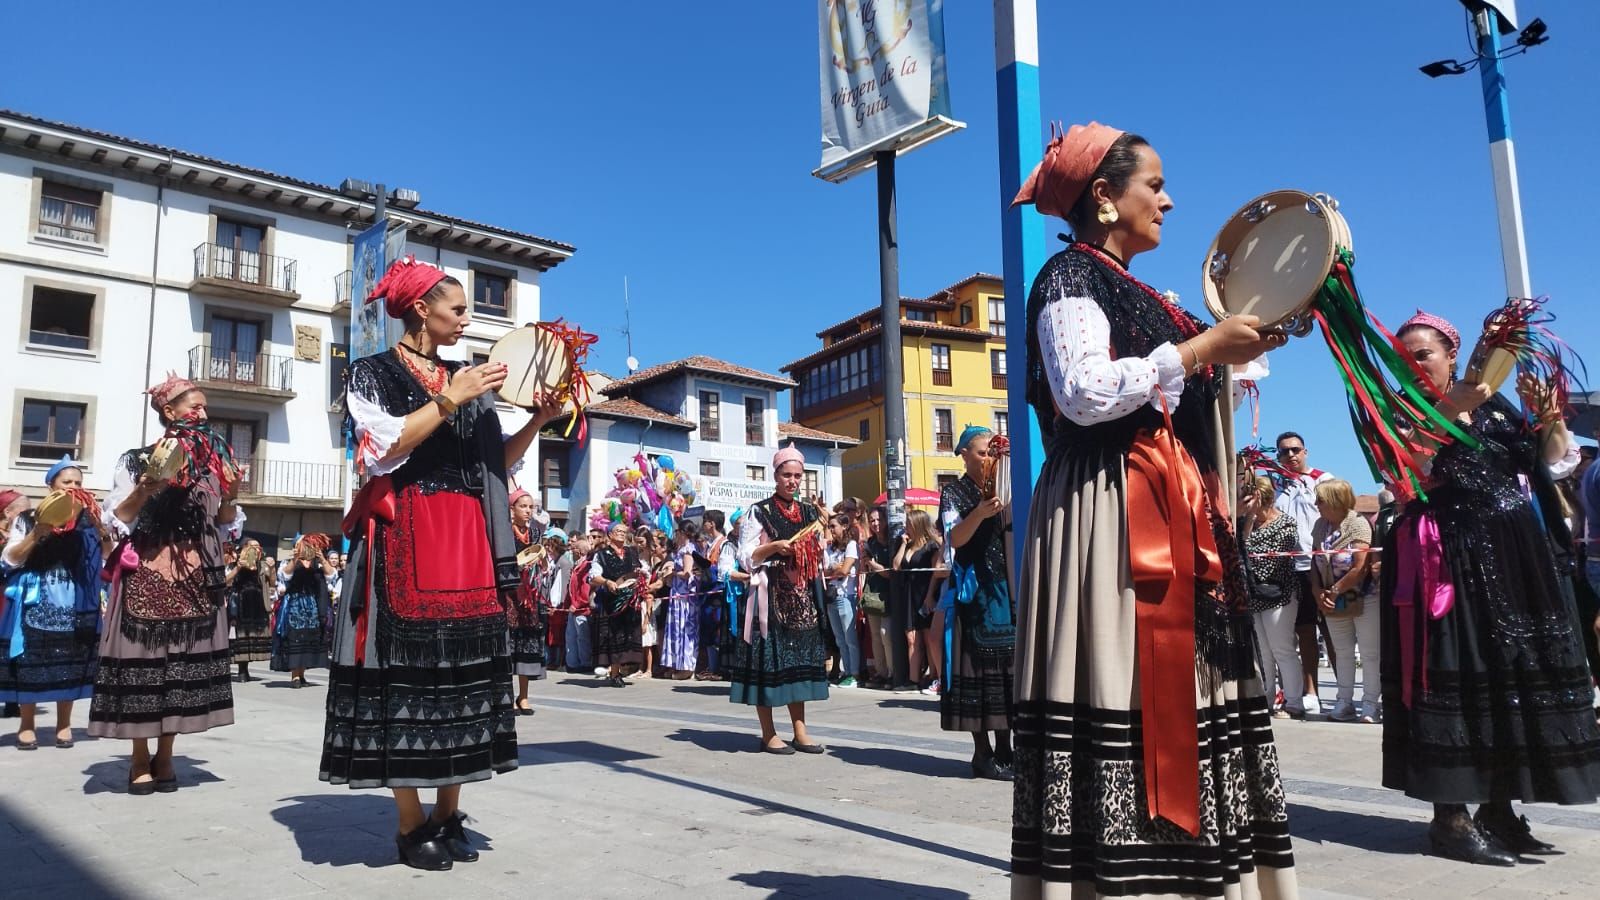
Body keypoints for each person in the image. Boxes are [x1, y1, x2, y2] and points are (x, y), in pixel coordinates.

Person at [1009, 121, 1295, 897]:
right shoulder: (1069, 276)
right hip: (1113, 509)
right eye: (1155, 184)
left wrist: (1246, 339)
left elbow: (1194, 378)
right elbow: (1082, 391)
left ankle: (1192, 873)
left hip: (1173, 503)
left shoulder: (1155, 299)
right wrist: (1202, 352)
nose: (1169, 199)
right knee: (1129, 685)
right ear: (1104, 197)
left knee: (1193, 688)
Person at [319, 256, 563, 871]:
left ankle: (448, 812)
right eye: (457, 308)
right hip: (406, 531)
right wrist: (451, 398)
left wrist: (536, 419)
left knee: (468, 675)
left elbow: (495, 463)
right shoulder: (370, 373)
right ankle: (408, 823)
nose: (466, 318)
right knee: (401, 673)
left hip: (468, 537)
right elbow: (382, 448)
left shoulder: (467, 380)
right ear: (421, 310)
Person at [1380, 311, 1600, 865]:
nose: (1413, 363)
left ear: (1454, 356)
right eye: (1405, 355)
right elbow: (1404, 474)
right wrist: (1448, 410)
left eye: (1423, 353)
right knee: (1460, 673)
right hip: (1449, 558)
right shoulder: (1397, 409)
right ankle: (1450, 820)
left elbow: (1550, 462)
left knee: (1509, 677)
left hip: (1512, 556)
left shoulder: (1494, 404)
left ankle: (1499, 811)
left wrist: (1550, 417)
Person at [91, 374, 245, 793]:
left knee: (178, 669)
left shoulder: (214, 466)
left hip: (197, 577)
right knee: (143, 666)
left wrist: (230, 494)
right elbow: (119, 518)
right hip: (146, 573)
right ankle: (139, 757)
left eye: (204, 407)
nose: (202, 413)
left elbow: (227, 522)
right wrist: (145, 489)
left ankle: (166, 754)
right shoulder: (137, 459)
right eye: (193, 406)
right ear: (168, 412)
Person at [730, 444, 829, 754]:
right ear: (775, 476)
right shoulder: (759, 510)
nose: (793, 481)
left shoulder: (810, 513)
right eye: (787, 475)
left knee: (798, 662)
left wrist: (814, 548)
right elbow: (746, 557)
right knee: (768, 664)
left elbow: (819, 550)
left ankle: (800, 730)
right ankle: (768, 732)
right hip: (769, 597)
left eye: (798, 476)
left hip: (802, 597)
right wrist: (774, 548)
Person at [0, 456, 104, 750]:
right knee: (29, 661)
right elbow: (10, 558)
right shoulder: (27, 519)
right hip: (35, 599)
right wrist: (36, 534)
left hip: (72, 600)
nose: (73, 487)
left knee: (69, 662)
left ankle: (64, 725)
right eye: (66, 482)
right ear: (51, 485)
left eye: (78, 483)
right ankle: (26, 724)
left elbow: (105, 556)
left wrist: (99, 527)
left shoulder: (87, 520)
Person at [936, 426, 1016, 780]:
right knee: (977, 674)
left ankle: (1006, 750)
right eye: (982, 453)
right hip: (973, 592)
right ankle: (982, 753)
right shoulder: (953, 492)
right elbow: (954, 539)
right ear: (965, 455)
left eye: (992, 453)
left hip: (1004, 587)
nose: (989, 459)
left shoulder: (1006, 487)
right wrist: (980, 514)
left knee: (1006, 674)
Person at [1272, 431, 1336, 716]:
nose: (1290, 456)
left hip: (1322, 566)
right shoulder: (1274, 486)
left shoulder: (1323, 479)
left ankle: (1345, 692)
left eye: (1295, 450)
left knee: (1334, 631)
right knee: (1304, 631)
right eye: (1284, 452)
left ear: (1305, 451)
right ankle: (1310, 692)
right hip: (1290, 568)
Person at [1309, 479, 1380, 724]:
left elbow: (1360, 567)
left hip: (1364, 596)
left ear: (1335, 501)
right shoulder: (1319, 525)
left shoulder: (1359, 524)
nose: (1316, 504)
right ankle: (1344, 702)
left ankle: (1370, 705)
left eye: (1320, 499)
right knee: (1342, 652)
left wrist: (1335, 590)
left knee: (1370, 654)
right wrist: (1318, 591)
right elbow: (1314, 562)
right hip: (1331, 598)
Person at [1238, 475, 1305, 720]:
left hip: (1279, 594)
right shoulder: (1246, 524)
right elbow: (1238, 551)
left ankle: (1294, 703)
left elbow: (1270, 563)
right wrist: (1247, 524)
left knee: (1282, 649)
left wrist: (1248, 564)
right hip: (1254, 596)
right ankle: (1265, 699)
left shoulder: (1285, 523)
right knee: (1262, 652)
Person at [271, 536, 333, 688]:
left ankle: (302, 673)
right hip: (295, 605)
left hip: (312, 607)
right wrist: (295, 558)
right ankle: (295, 675)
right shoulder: (291, 562)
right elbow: (285, 576)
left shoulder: (318, 563)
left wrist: (322, 558)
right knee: (295, 638)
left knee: (308, 639)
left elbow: (331, 575)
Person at [590, 523, 647, 687]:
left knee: (628, 637)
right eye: (618, 531)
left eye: (624, 531)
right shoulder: (601, 554)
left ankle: (622, 670)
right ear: (610, 535)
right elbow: (593, 577)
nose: (622, 534)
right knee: (614, 637)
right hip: (612, 602)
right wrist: (607, 582)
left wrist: (640, 581)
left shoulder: (631, 552)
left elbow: (638, 572)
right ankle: (614, 673)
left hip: (630, 601)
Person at [893, 509, 942, 693]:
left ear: (917, 525)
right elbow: (897, 566)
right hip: (909, 594)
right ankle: (913, 680)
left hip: (925, 593)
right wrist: (903, 545)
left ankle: (935, 676)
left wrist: (930, 596)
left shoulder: (931, 547)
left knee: (929, 638)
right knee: (912, 638)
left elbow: (935, 575)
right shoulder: (908, 545)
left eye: (909, 524)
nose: (906, 527)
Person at [509, 489, 548, 713]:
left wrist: (541, 562)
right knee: (508, 644)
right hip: (509, 595)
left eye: (530, 507)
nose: (527, 511)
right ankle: (505, 694)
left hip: (530, 596)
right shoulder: (504, 532)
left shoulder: (535, 534)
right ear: (512, 509)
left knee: (526, 644)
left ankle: (523, 697)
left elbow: (543, 567)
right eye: (523, 506)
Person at [821, 513, 861, 688]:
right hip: (832, 595)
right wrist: (834, 568)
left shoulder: (851, 546)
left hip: (846, 595)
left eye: (833, 526)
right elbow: (824, 571)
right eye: (829, 527)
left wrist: (837, 568)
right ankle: (846, 671)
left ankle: (855, 673)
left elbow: (845, 570)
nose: (831, 530)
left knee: (849, 636)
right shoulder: (830, 549)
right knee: (839, 638)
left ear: (844, 527)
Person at [860, 505, 897, 689]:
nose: (876, 524)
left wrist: (873, 564)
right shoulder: (870, 543)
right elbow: (865, 567)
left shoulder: (892, 542)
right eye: (872, 520)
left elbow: (889, 573)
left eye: (879, 520)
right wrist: (865, 561)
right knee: (875, 635)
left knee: (886, 634)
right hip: (873, 593)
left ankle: (892, 672)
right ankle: (881, 672)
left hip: (889, 594)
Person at [661, 520, 702, 680]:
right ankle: (677, 664)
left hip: (684, 596)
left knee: (684, 628)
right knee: (677, 629)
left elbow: (687, 573)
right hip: (678, 593)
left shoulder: (688, 550)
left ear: (683, 533)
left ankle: (686, 666)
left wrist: (672, 573)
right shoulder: (683, 549)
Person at [228, 539, 272, 682]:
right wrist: (239, 567)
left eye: (257, 547)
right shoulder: (235, 563)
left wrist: (271, 569)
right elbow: (226, 581)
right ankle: (242, 669)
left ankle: (247, 667)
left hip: (258, 603)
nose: (255, 550)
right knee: (241, 637)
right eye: (251, 547)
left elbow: (272, 582)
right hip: (241, 603)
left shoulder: (262, 565)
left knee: (253, 638)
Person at [565, 534, 595, 673]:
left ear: (581, 551)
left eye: (575, 548)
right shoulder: (576, 566)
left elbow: (585, 589)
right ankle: (572, 663)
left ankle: (585, 663)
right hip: (573, 609)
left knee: (582, 638)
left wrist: (577, 604)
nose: (572, 550)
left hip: (582, 610)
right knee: (571, 637)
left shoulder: (586, 566)